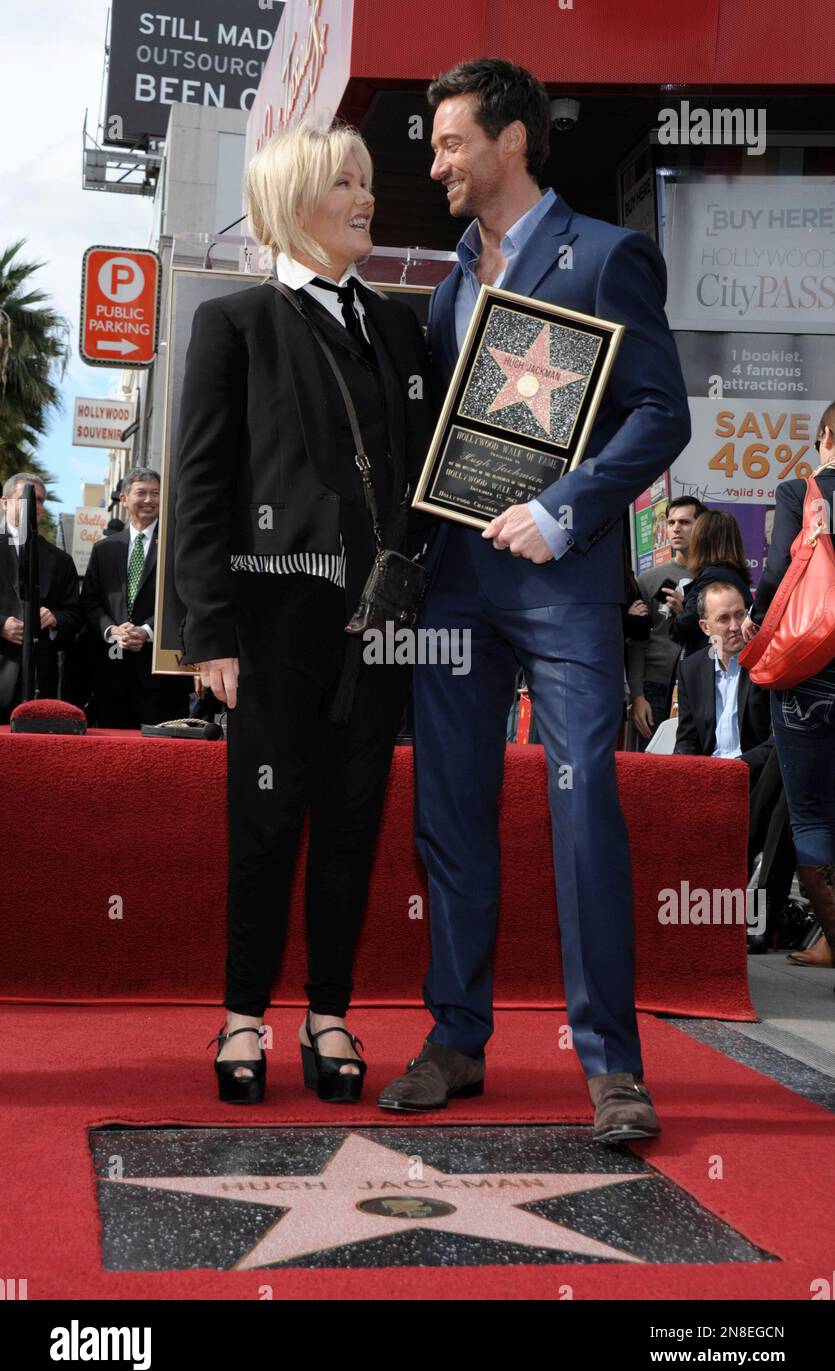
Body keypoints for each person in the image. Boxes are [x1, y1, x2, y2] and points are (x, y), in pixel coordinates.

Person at [377, 59, 691, 1143]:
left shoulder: (607, 255)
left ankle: (611, 1067)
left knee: (581, 808)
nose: (436, 164)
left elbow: (659, 415)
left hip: (560, 584)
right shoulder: (451, 285)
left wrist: (565, 509)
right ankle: (456, 1040)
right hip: (457, 589)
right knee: (449, 815)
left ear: (510, 139)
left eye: (451, 141)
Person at [172, 122, 437, 1104]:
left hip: (381, 623)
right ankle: (244, 1013)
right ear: (293, 202)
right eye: (344, 184)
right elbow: (200, 486)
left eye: (368, 182)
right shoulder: (237, 323)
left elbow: (430, 474)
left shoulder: (403, 331)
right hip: (272, 622)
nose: (367, 198)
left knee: (354, 822)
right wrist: (208, 629)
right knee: (267, 820)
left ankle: (330, 1011)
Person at [742, 402, 835, 975]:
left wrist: (756, 618)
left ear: (826, 437)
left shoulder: (801, 492)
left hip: (810, 669)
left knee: (812, 816)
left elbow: (778, 571)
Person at [81, 468, 192, 729]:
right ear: (124, 498)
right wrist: (111, 630)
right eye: (141, 492)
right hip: (112, 670)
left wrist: (147, 630)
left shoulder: (178, 545)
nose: (149, 500)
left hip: (162, 679)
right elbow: (90, 601)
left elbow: (185, 598)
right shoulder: (104, 548)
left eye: (155, 493)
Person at [0, 473, 82, 722]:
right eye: (26, 498)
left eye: (40, 500)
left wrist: (55, 617)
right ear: (5, 502)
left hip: (40, 680)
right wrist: (1, 625)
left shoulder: (60, 560)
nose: (36, 506)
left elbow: (75, 615)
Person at [673, 581, 772, 780]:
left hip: (756, 776)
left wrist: (733, 770)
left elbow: (776, 741)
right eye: (724, 619)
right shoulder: (691, 669)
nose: (735, 626)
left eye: (740, 615)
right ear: (705, 627)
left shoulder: (766, 660)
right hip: (707, 777)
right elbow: (687, 740)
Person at [628, 495, 705, 748]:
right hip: (654, 688)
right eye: (671, 522)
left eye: (684, 521)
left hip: (698, 686)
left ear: (701, 525)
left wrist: (687, 613)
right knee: (648, 772)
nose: (676, 528)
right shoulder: (649, 580)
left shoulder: (714, 577)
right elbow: (638, 643)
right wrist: (637, 696)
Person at [667, 509, 752, 658]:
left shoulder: (712, 576)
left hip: (712, 663)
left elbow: (684, 627)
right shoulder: (733, 574)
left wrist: (680, 611)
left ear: (700, 540)